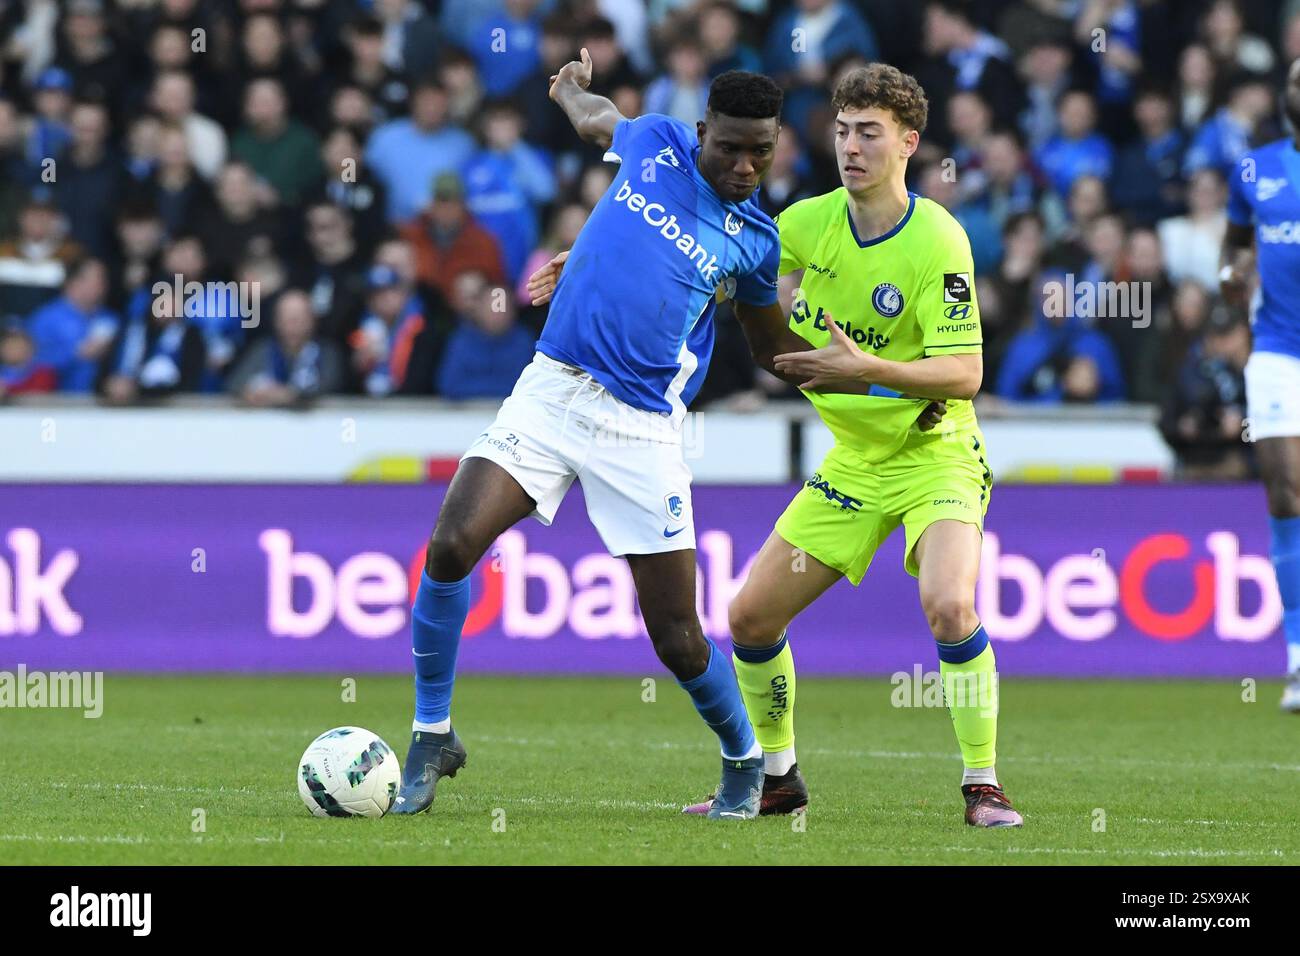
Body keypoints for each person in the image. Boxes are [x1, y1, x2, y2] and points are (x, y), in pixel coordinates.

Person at [393, 54, 816, 821]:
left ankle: (745, 760)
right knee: (451, 544)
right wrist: (565, 90)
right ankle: (431, 734)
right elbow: (595, 119)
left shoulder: (755, 241)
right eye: (730, 148)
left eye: (763, 149)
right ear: (699, 133)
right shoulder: (652, 141)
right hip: (551, 389)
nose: (747, 165)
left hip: (641, 431)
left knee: (679, 639)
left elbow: (769, 348)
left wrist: (873, 378)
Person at [689, 63, 1023, 826]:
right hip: (853, 463)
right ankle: (778, 780)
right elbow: (716, 256)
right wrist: (604, 262)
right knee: (749, 619)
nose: (851, 146)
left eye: (869, 132)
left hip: (934, 451)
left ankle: (983, 782)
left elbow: (965, 373)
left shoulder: (938, 237)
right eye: (842, 131)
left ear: (908, 143)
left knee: (947, 603)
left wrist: (864, 367)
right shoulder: (809, 223)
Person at [1220, 56, 1300, 712]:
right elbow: (1232, 247)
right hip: (1276, 350)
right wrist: (1231, 275)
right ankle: (1299, 659)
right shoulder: (1254, 168)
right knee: (1285, 491)